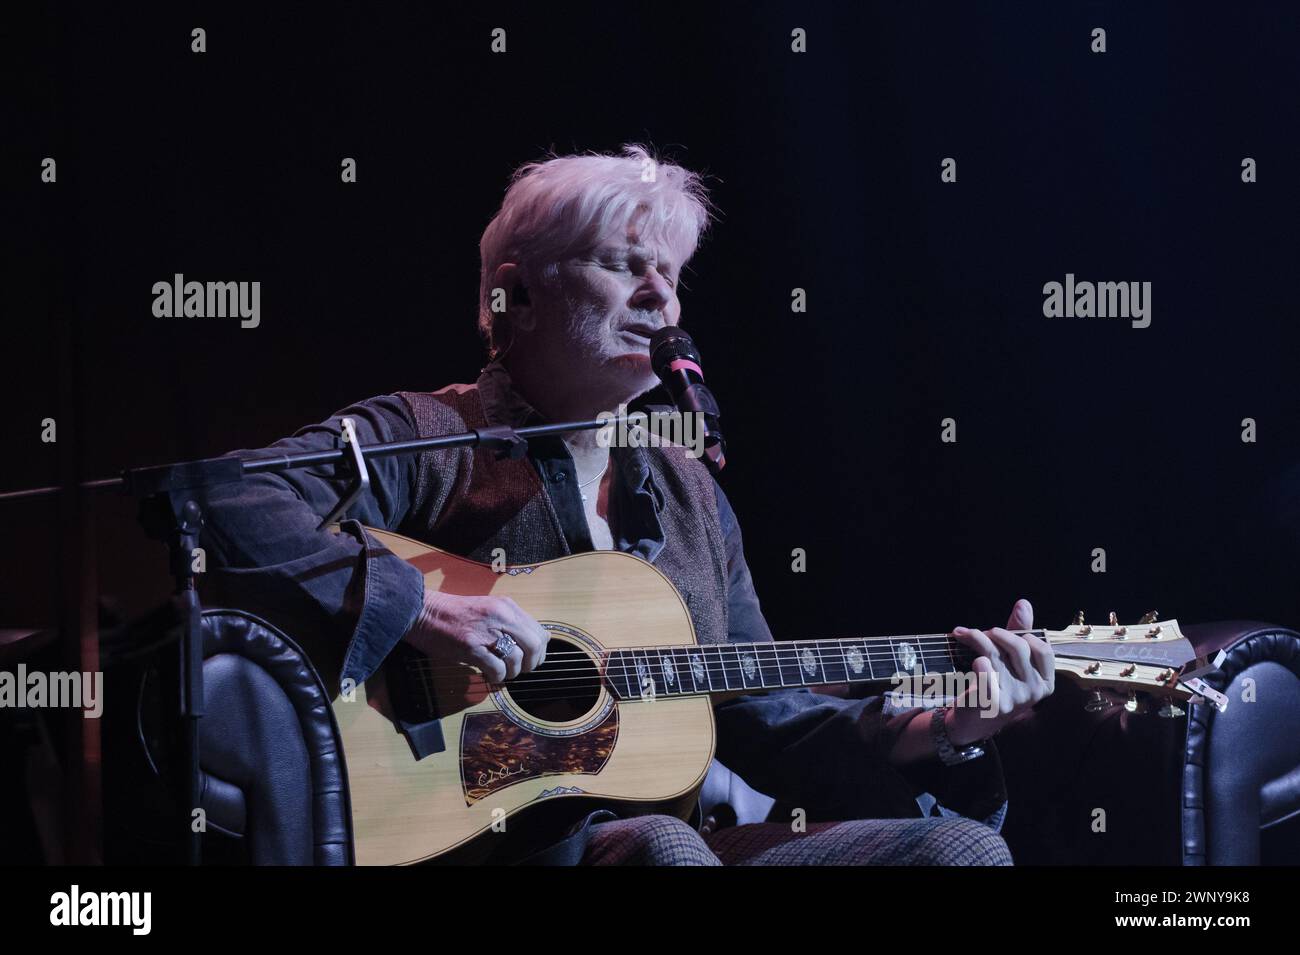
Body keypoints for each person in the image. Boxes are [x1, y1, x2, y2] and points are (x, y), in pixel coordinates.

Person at [182, 144, 1055, 865]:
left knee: (960, 851)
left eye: (670, 274)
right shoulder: (430, 432)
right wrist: (416, 606)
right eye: (622, 265)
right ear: (516, 294)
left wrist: (945, 727)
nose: (660, 297)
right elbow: (219, 492)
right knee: (667, 850)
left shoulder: (687, 491)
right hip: (476, 834)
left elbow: (761, 715)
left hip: (659, 842)